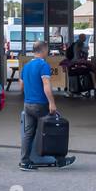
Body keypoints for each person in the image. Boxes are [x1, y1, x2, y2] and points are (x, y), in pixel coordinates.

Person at [19, 41, 76, 171]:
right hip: (40, 104)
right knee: (54, 128)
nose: (48, 52)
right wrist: (52, 102)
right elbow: (46, 86)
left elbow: (21, 86)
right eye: (47, 49)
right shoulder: (43, 65)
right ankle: (60, 160)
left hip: (27, 104)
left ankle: (24, 161)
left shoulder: (26, 66)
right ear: (43, 50)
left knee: (28, 133)